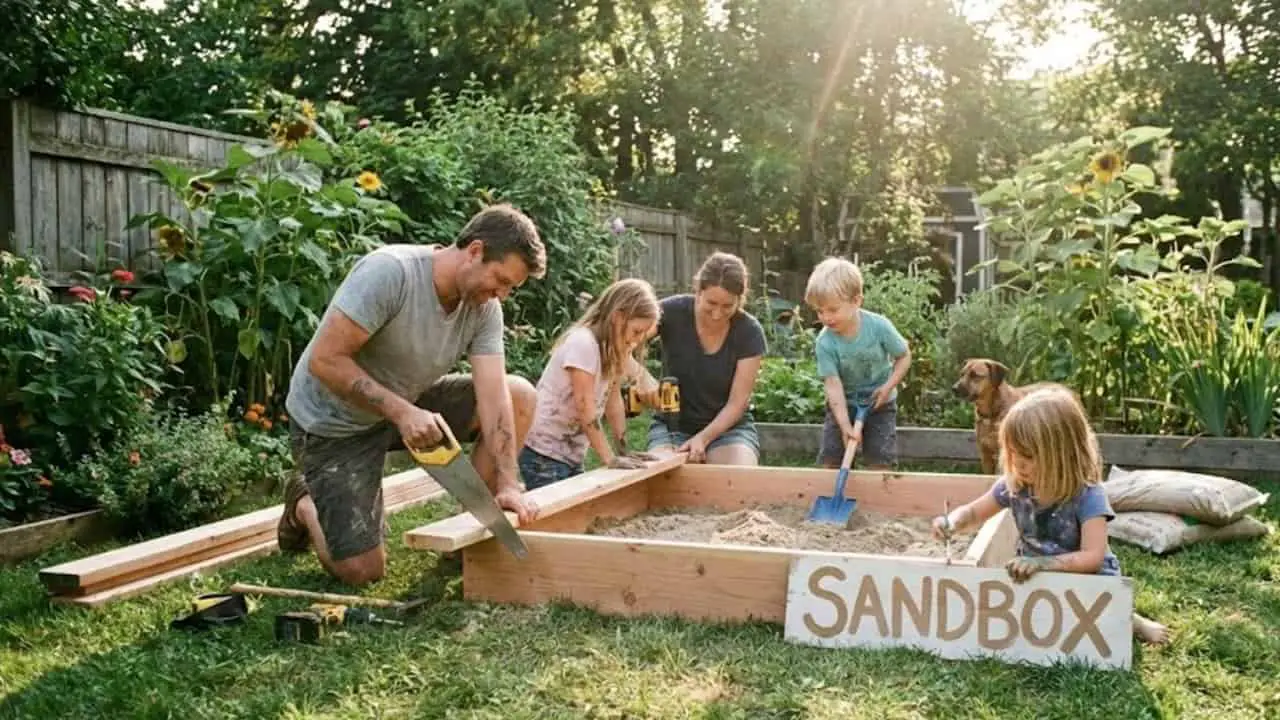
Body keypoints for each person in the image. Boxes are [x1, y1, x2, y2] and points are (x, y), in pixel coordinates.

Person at [278, 204, 546, 586]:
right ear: (475, 251)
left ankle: (470, 532)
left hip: (405, 398)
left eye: (510, 288)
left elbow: (494, 395)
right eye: (500, 280)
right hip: (334, 423)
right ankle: (304, 501)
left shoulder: (484, 309)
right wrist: (402, 413)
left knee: (519, 394)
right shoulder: (391, 272)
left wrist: (507, 483)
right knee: (363, 572)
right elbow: (325, 360)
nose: (501, 295)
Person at [930, 384, 1170, 645]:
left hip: (1086, 579)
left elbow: (1092, 557)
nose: (1018, 463)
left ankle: (1133, 620)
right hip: (1032, 576)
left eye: (1028, 455)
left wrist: (1043, 563)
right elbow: (974, 512)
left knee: (1107, 616)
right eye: (1013, 453)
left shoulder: (1088, 495)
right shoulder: (1014, 486)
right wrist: (952, 521)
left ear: (1062, 454)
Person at [519, 278, 662, 490]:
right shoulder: (583, 343)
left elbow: (613, 403)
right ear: (618, 317)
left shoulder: (613, 349)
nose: (638, 339)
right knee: (558, 508)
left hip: (571, 453)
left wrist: (623, 449)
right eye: (636, 331)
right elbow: (585, 406)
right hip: (543, 451)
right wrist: (609, 458)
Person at [644, 252, 767, 464]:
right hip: (672, 426)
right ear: (698, 291)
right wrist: (639, 375)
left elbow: (737, 403)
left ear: (740, 300)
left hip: (728, 430)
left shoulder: (749, 332)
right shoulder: (670, 312)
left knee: (737, 477)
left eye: (727, 306)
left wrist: (703, 438)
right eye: (711, 303)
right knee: (663, 477)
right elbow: (622, 341)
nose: (717, 314)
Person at [804, 257, 911, 471]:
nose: (826, 317)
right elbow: (832, 384)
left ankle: (879, 489)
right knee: (831, 463)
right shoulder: (825, 342)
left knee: (881, 462)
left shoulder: (879, 327)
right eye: (820, 311)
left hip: (880, 404)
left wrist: (887, 387)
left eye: (833, 310)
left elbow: (904, 356)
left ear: (856, 301)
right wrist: (845, 425)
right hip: (842, 404)